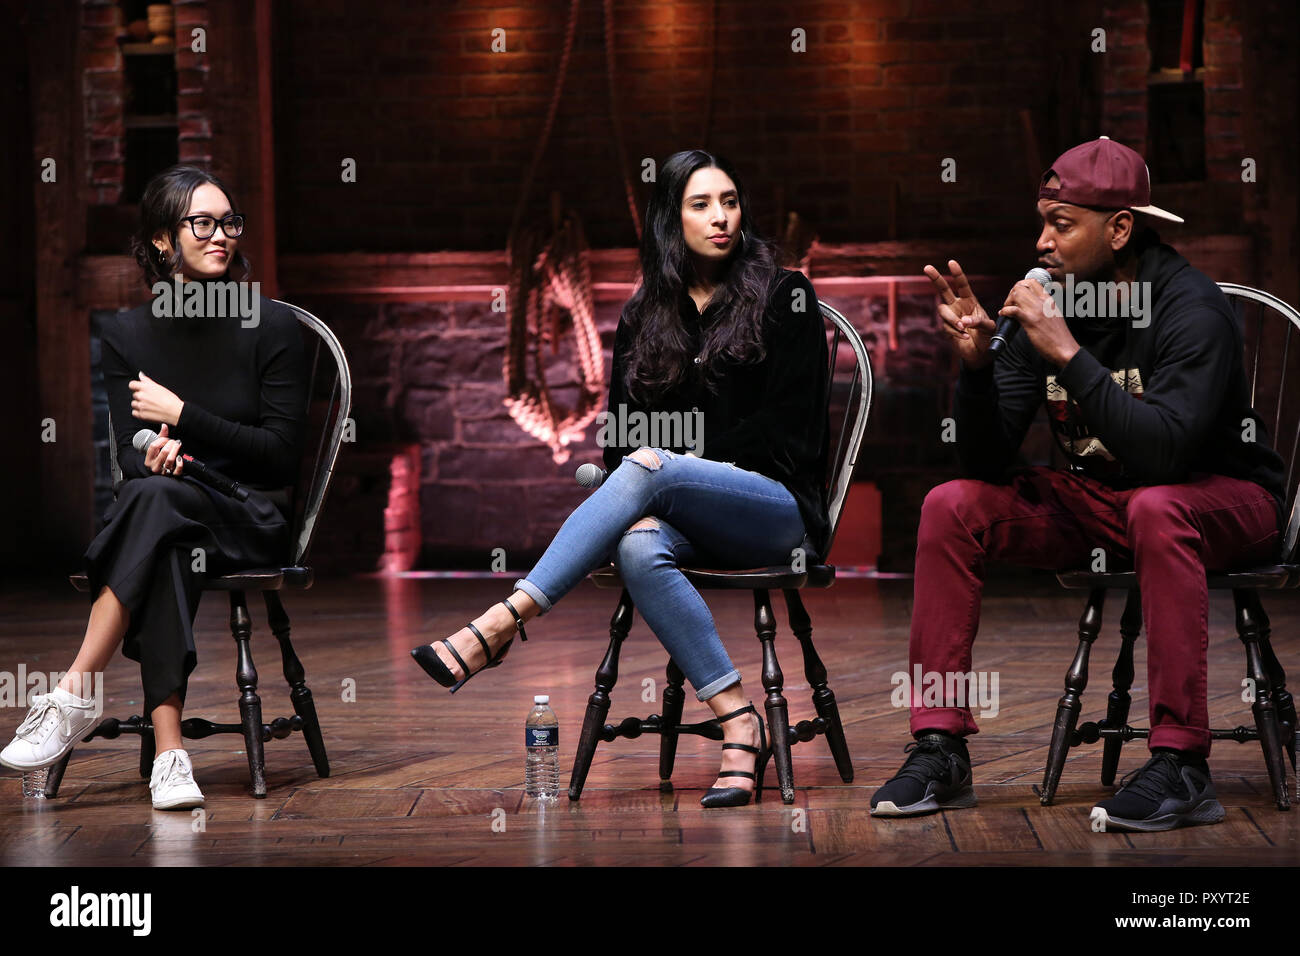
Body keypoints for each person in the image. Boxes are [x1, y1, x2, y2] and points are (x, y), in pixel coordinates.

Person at [871, 137, 1285, 831]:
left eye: (1061, 224)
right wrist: (975, 370)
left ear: (1119, 227)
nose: (1042, 242)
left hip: (1225, 498)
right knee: (952, 506)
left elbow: (1163, 455)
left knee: (1157, 507)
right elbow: (983, 461)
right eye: (1043, 222)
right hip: (1104, 506)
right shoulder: (1049, 300)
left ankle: (1183, 764)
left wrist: (1064, 349)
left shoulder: (1190, 307)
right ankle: (940, 745)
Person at [411, 149, 829, 807]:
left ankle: (503, 621)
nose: (721, 217)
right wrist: (658, 468)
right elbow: (621, 440)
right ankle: (739, 721)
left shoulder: (786, 296)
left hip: (778, 511)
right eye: (701, 204)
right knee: (637, 542)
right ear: (670, 218)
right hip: (684, 514)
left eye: (729, 201)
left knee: (650, 467)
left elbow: (791, 437)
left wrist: (673, 465)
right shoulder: (644, 314)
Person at [0, 165, 307, 809]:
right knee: (157, 511)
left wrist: (184, 418)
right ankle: (170, 754)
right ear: (166, 240)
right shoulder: (129, 335)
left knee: (154, 512)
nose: (222, 234)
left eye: (230, 222)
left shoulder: (271, 325)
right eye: (204, 222)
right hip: (170, 514)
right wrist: (160, 457)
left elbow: (280, 459)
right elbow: (131, 461)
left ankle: (75, 692)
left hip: (247, 517)